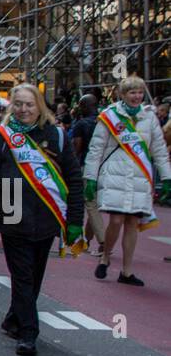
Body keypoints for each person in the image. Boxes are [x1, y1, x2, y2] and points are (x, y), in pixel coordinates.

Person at [0, 83, 84, 356]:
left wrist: (75, 220)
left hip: (46, 218)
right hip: (12, 217)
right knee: (22, 276)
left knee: (34, 277)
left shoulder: (56, 135)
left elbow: (73, 178)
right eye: (18, 104)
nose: (24, 110)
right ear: (12, 107)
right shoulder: (2, 136)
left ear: (39, 106)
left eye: (29, 104)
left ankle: (14, 319)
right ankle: (29, 333)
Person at [86, 75, 171, 287]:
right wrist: (90, 178)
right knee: (116, 220)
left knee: (132, 223)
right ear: (123, 95)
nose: (137, 96)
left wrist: (167, 176)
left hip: (140, 176)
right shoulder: (110, 116)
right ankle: (105, 256)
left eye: (140, 92)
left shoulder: (149, 117)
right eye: (132, 92)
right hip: (115, 174)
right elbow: (96, 149)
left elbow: (159, 149)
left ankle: (126, 271)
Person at [68, 94, 103, 255]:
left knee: (91, 204)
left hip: (87, 166)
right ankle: (88, 239)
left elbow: (77, 147)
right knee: (94, 205)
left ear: (83, 106)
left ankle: (103, 241)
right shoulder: (104, 121)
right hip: (106, 168)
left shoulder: (81, 124)